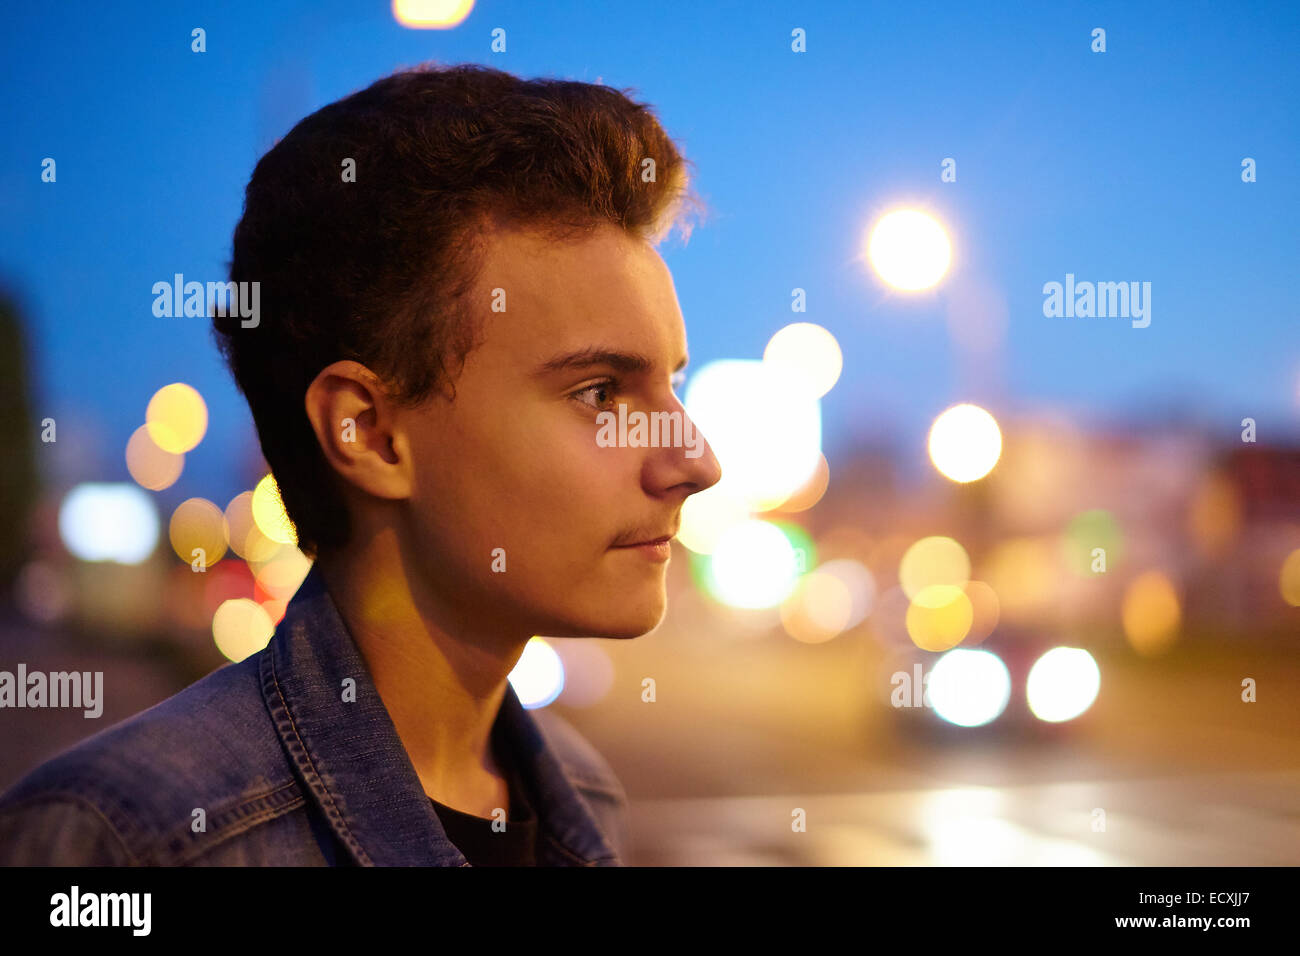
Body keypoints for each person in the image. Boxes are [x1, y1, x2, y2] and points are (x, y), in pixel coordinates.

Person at [0, 62, 722, 866]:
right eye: (599, 391)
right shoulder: (123, 841)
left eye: (674, 384)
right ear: (369, 432)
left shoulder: (583, 795)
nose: (697, 460)